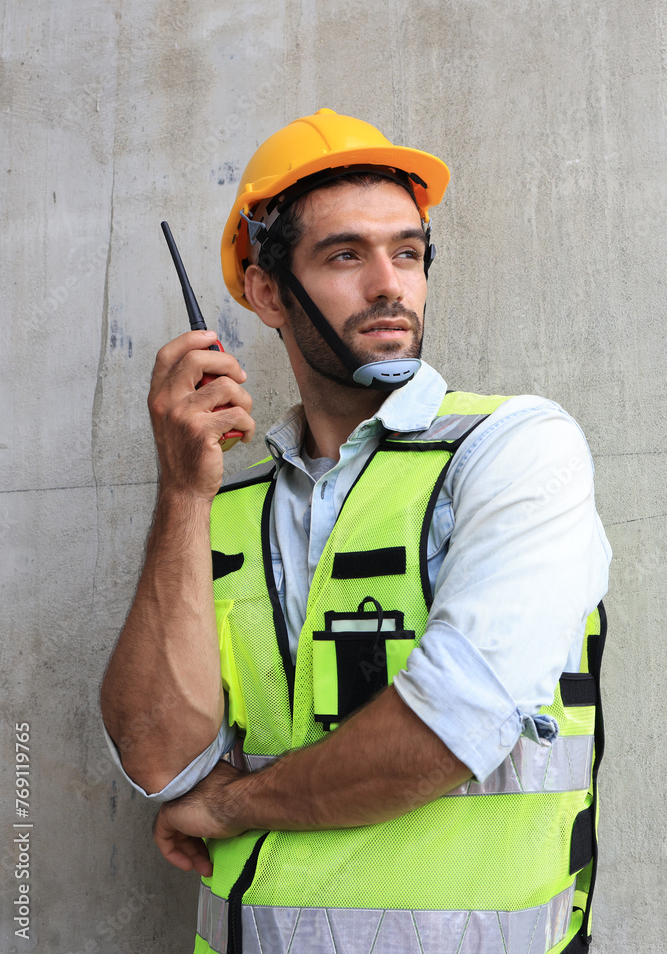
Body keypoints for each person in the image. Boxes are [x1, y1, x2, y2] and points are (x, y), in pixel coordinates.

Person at [101, 108, 611, 954]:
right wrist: (183, 494)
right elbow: (159, 762)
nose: (389, 285)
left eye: (407, 252)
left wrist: (228, 805)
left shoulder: (516, 451)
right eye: (346, 255)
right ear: (267, 290)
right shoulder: (225, 509)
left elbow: (450, 725)